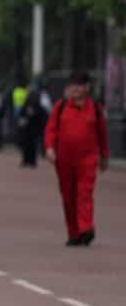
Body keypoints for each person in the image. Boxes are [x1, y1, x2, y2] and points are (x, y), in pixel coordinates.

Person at [44, 71, 109, 247]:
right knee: (68, 196)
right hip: (64, 159)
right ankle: (74, 233)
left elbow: (102, 134)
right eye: (73, 85)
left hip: (87, 158)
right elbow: (51, 130)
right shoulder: (61, 106)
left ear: (87, 87)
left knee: (84, 193)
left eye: (80, 85)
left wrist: (104, 156)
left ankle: (86, 228)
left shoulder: (95, 108)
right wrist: (49, 148)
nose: (76, 89)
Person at [18, 88, 46, 167]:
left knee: (32, 145)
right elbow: (22, 114)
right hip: (27, 128)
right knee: (26, 145)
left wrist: (33, 114)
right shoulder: (26, 104)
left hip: (33, 128)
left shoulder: (37, 105)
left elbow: (41, 116)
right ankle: (26, 160)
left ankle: (31, 161)